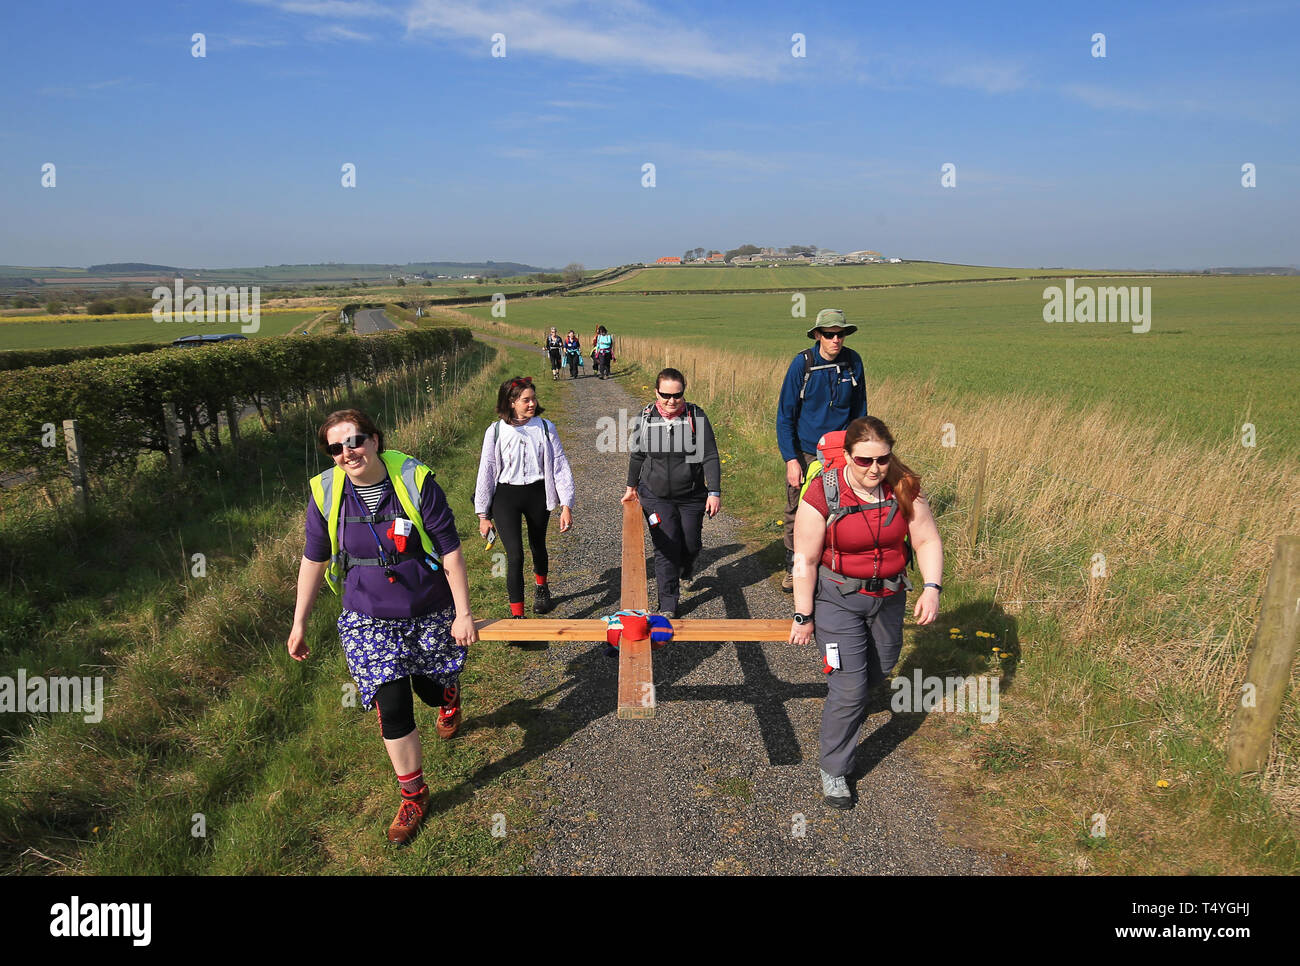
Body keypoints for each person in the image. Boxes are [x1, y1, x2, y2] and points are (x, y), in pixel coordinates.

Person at [287, 409, 477, 845]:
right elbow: (314, 558)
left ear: (374, 439)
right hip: (367, 616)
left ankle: (447, 695)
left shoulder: (414, 479)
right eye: (336, 448)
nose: (346, 453)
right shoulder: (325, 492)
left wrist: (463, 613)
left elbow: (449, 549)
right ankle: (414, 794)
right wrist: (299, 622)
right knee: (392, 704)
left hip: (426, 607)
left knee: (430, 688)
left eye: (353, 441)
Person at [789, 416, 943, 810]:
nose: (875, 469)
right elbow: (805, 560)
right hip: (837, 599)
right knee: (850, 686)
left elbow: (925, 539)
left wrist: (931, 587)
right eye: (864, 461)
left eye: (883, 459)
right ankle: (834, 769)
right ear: (846, 456)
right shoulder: (823, 495)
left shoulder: (903, 487)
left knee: (883, 667)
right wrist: (804, 615)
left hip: (889, 598)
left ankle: (852, 701)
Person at [776, 308, 867, 592]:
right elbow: (785, 415)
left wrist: (859, 451)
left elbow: (860, 411)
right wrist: (791, 459)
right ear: (818, 335)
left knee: (843, 509)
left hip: (841, 451)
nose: (836, 340)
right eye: (829, 334)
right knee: (799, 510)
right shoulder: (801, 364)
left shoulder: (853, 363)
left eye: (840, 334)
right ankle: (795, 568)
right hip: (805, 452)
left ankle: (834, 568)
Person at [622, 368, 721, 618]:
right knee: (666, 546)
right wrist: (631, 487)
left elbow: (709, 455)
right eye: (665, 395)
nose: (671, 401)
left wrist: (714, 491)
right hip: (655, 495)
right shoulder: (645, 417)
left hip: (691, 496)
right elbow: (637, 455)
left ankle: (687, 568)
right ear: (657, 392)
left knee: (691, 543)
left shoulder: (695, 417)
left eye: (677, 395)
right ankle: (668, 604)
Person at [474, 376, 575, 618]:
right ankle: (517, 615)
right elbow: (486, 470)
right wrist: (482, 514)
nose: (532, 404)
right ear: (511, 402)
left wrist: (566, 505)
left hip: (537, 493)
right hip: (506, 496)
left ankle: (542, 589)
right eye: (525, 400)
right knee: (515, 555)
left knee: (538, 545)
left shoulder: (545, 427)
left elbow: (560, 465)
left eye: (533, 399)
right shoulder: (495, 430)